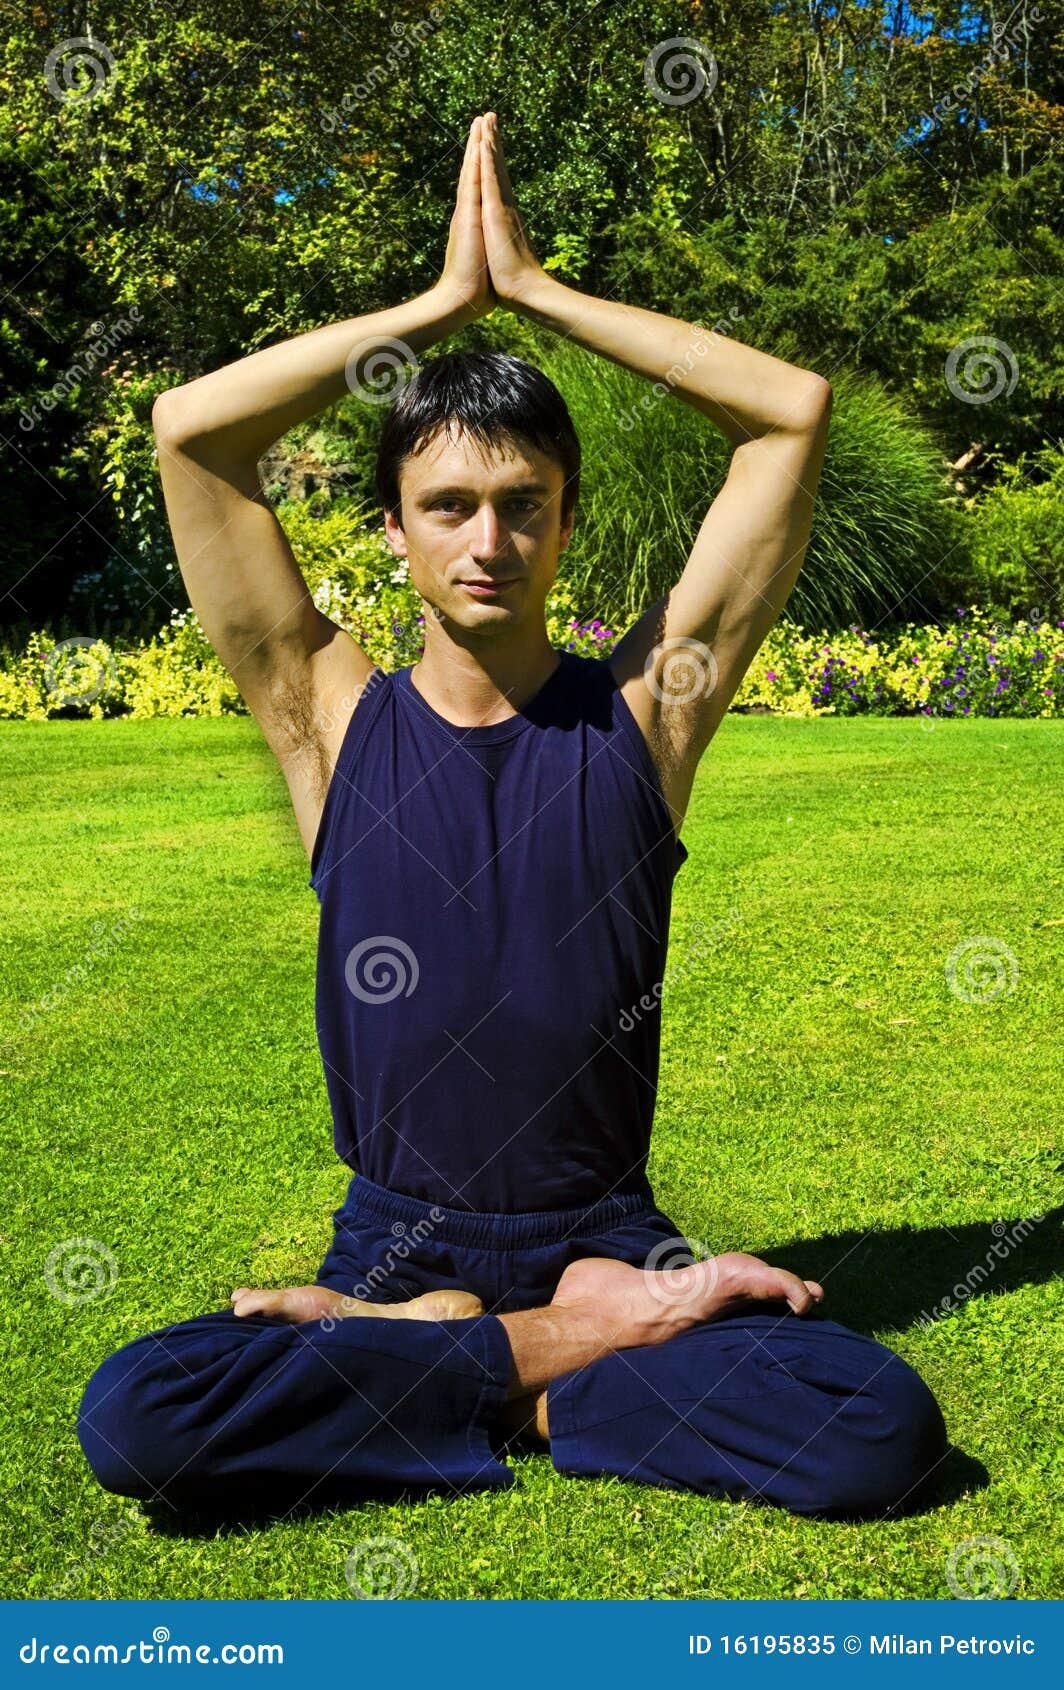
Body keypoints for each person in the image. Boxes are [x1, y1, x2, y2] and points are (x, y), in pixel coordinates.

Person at [77, 114, 948, 1522]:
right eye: (451, 504)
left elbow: (789, 409)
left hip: (605, 1231)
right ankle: (567, 1351)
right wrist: (436, 309)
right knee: (137, 1414)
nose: (489, 542)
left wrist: (537, 293)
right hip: (398, 1245)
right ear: (396, 528)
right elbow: (190, 429)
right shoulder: (328, 715)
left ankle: (449, 1362)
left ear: (563, 517)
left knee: (878, 1423)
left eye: (524, 505)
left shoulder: (642, 719)